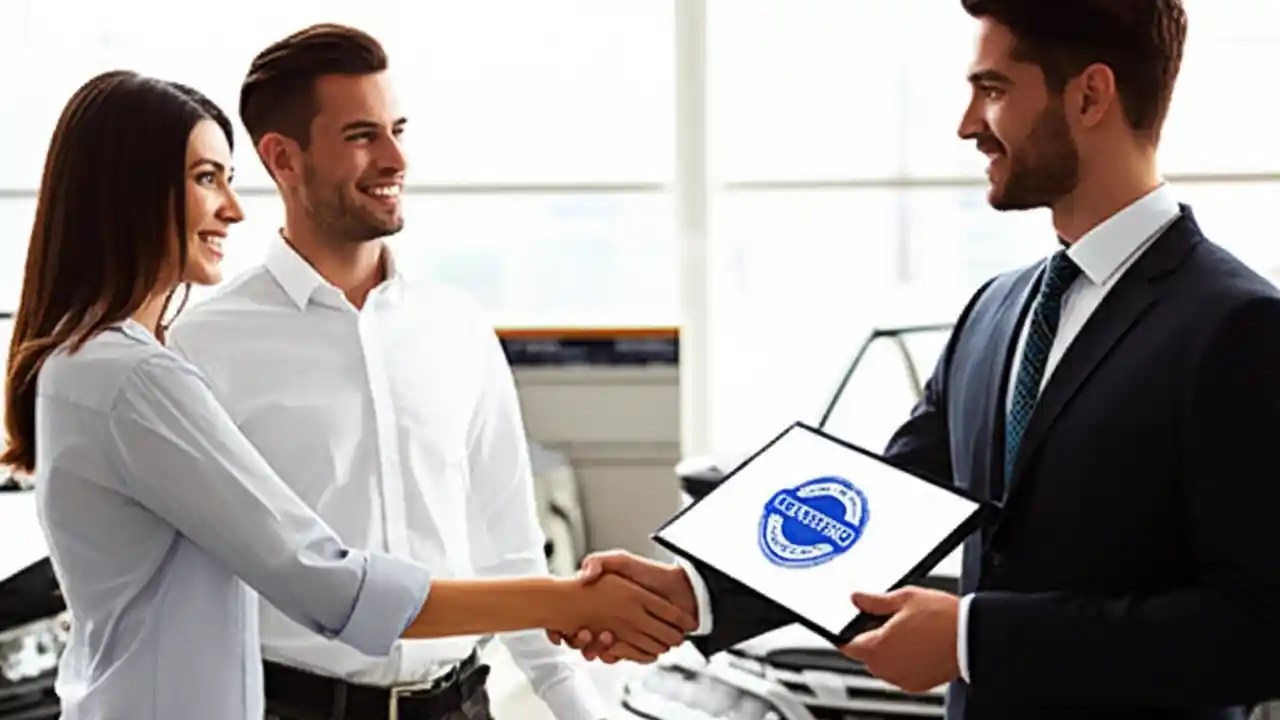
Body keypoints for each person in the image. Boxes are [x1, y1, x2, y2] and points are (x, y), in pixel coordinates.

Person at [556, 1, 1280, 718]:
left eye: (992, 90)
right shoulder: (996, 312)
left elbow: (1259, 628)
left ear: (1090, 95)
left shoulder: (1239, 326)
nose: (968, 125)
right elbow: (883, 503)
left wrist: (973, 638)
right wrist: (691, 593)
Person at [0, 70, 693, 720]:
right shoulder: (138, 377)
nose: (235, 210)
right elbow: (325, 581)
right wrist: (569, 600)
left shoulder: (83, 364)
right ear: (129, 192)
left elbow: (498, 540)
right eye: (206, 178)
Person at [165, 24, 659, 720]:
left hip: (460, 705)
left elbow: (509, 549)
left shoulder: (455, 327)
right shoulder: (200, 348)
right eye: (362, 135)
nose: (395, 157)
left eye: (397, 129)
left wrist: (578, 707)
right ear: (284, 159)